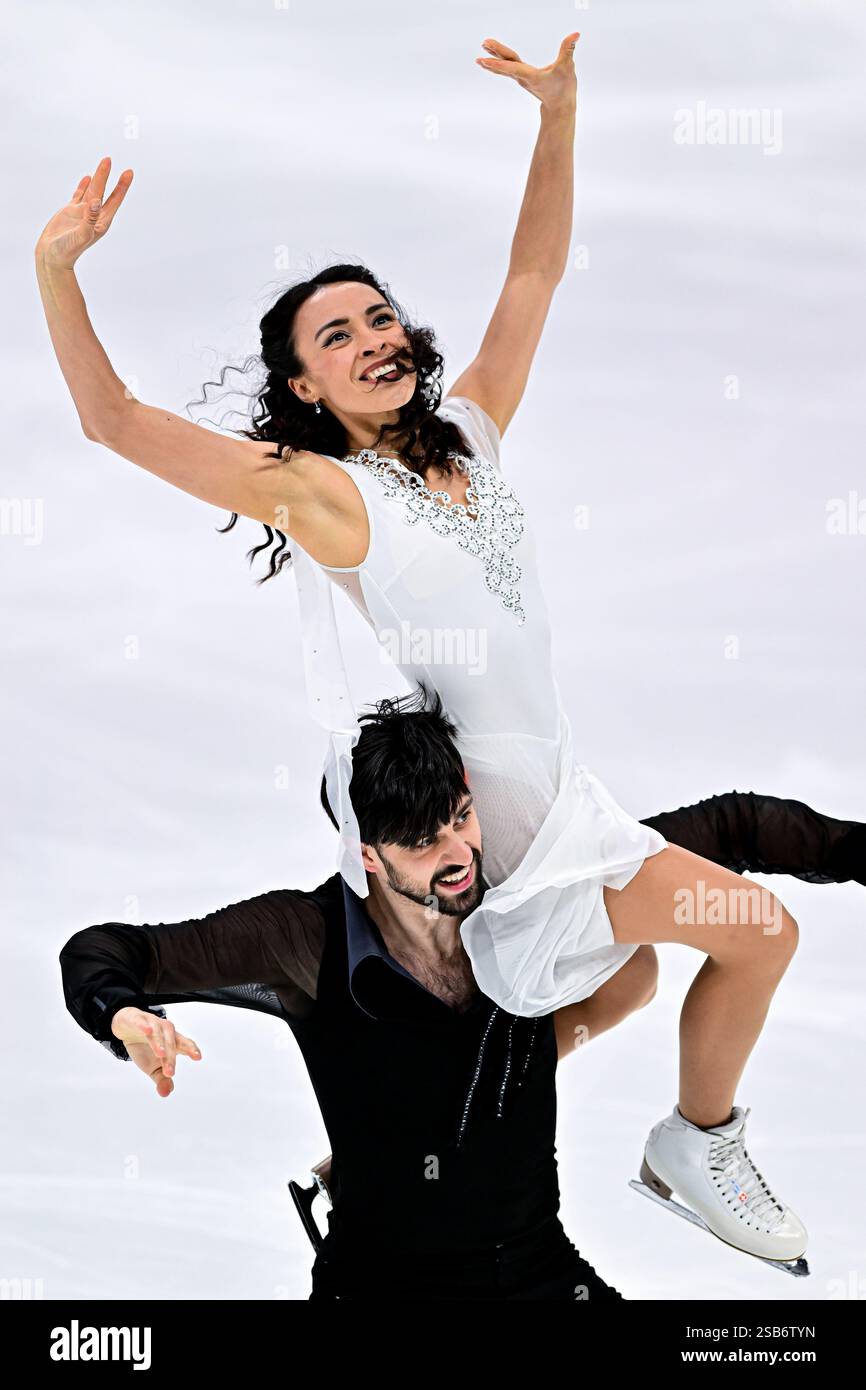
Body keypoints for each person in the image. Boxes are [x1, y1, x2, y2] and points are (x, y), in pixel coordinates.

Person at [35, 36, 857, 1266]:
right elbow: (112, 421)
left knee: (630, 986)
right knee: (755, 930)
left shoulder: (466, 432)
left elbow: (530, 277)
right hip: (515, 847)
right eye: (334, 337)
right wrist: (55, 271)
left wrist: (558, 114)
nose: (371, 336)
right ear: (305, 391)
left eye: (377, 314)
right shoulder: (325, 493)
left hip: (565, 806)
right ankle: (697, 1140)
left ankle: (436, 1118)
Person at [60, 687, 865, 1297]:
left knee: (627, 974)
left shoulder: (526, 890)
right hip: (381, 1285)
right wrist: (123, 1011)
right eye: (422, 841)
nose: (457, 855)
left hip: (535, 1267)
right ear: (367, 856)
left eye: (460, 818)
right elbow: (110, 950)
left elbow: (730, 829)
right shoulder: (307, 939)